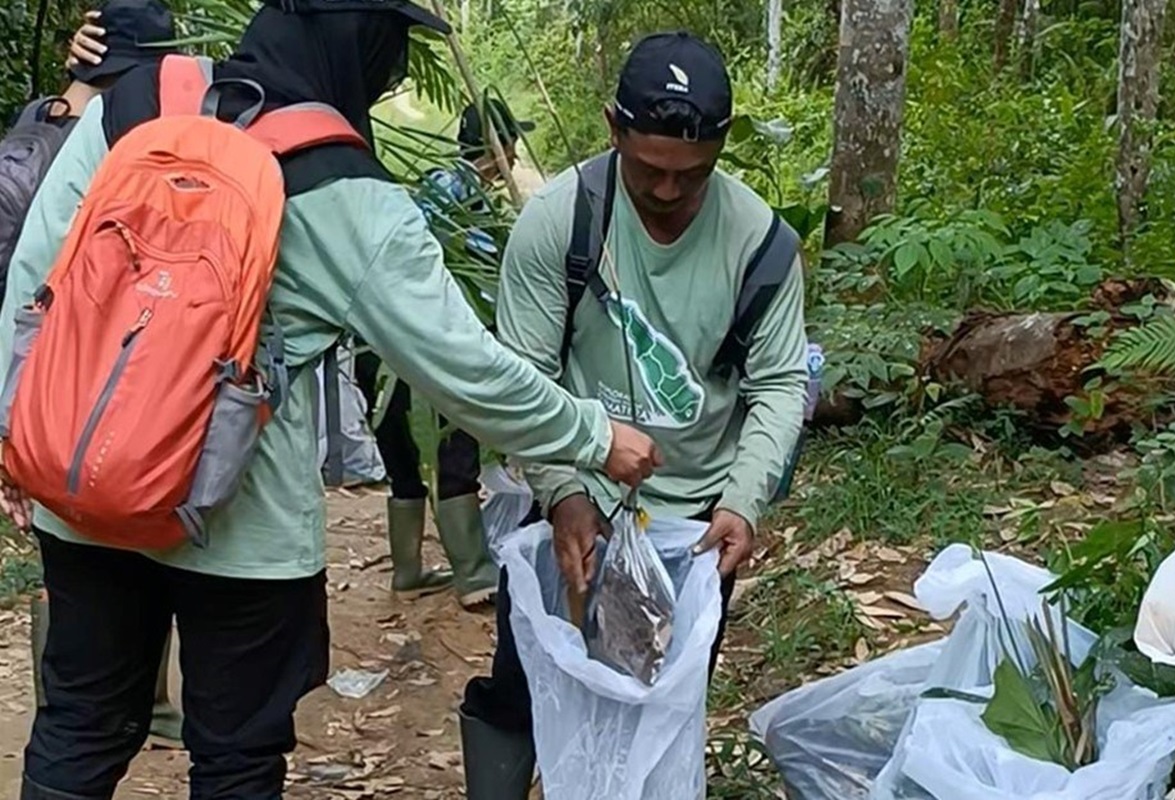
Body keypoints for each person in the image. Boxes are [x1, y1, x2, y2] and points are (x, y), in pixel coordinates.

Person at [0, 5, 659, 799]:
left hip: (87, 487)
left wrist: (16, 438)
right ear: (358, 48)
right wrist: (593, 436)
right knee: (236, 760)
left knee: (78, 726)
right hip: (240, 535)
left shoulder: (131, 105)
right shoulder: (341, 182)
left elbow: (34, 285)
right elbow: (464, 368)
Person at [459, 31, 808, 797]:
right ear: (613, 128)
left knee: (657, 704)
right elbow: (525, 378)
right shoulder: (561, 222)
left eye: (693, 174)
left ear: (722, 146)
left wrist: (743, 502)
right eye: (649, 169)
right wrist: (564, 494)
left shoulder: (761, 244)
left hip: (693, 527)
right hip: (575, 494)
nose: (668, 191)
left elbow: (781, 383)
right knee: (523, 686)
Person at [4, 0, 186, 746]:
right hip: (93, 366)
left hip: (31, 365)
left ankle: (74, 702)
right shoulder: (121, 141)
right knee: (124, 524)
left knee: (63, 543)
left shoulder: (32, 128)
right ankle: (140, 703)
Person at [353, 96, 535, 609]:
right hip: (422, 348)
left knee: (403, 462)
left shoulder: (430, 190)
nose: (515, 158)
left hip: (378, 343)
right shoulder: (461, 199)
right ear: (499, 148)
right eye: (511, 146)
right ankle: (475, 576)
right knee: (453, 453)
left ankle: (408, 571)